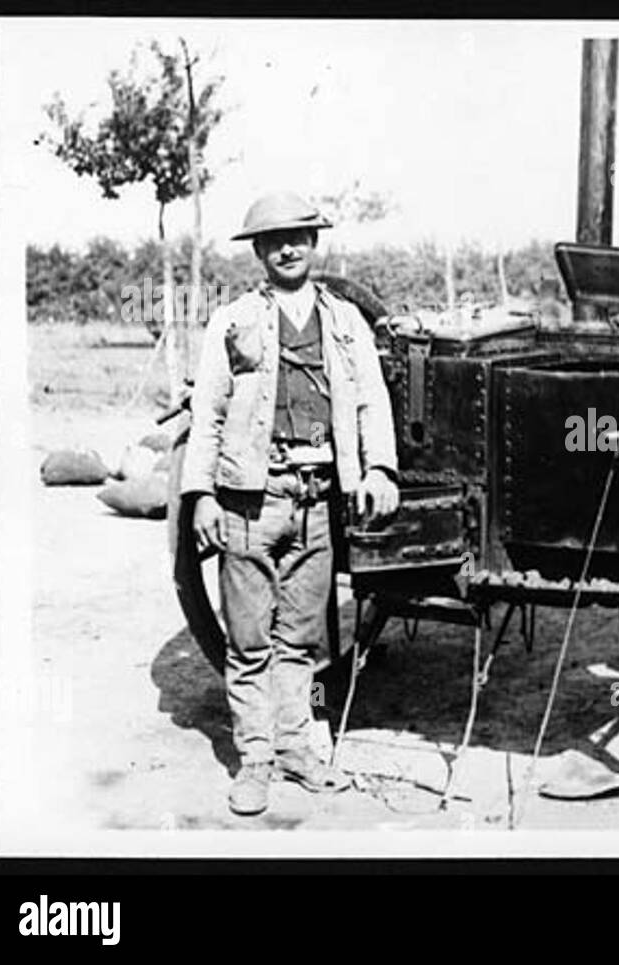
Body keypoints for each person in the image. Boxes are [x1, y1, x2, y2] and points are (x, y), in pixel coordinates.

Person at [179, 191, 400, 816]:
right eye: (273, 239)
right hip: (251, 501)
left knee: (301, 639)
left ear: (315, 242)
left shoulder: (345, 321)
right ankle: (255, 761)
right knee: (249, 643)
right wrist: (199, 497)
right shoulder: (233, 321)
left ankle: (298, 749)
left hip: (319, 497)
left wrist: (379, 468)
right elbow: (209, 414)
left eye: (298, 236)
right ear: (257, 250)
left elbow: (371, 402)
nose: (287, 247)